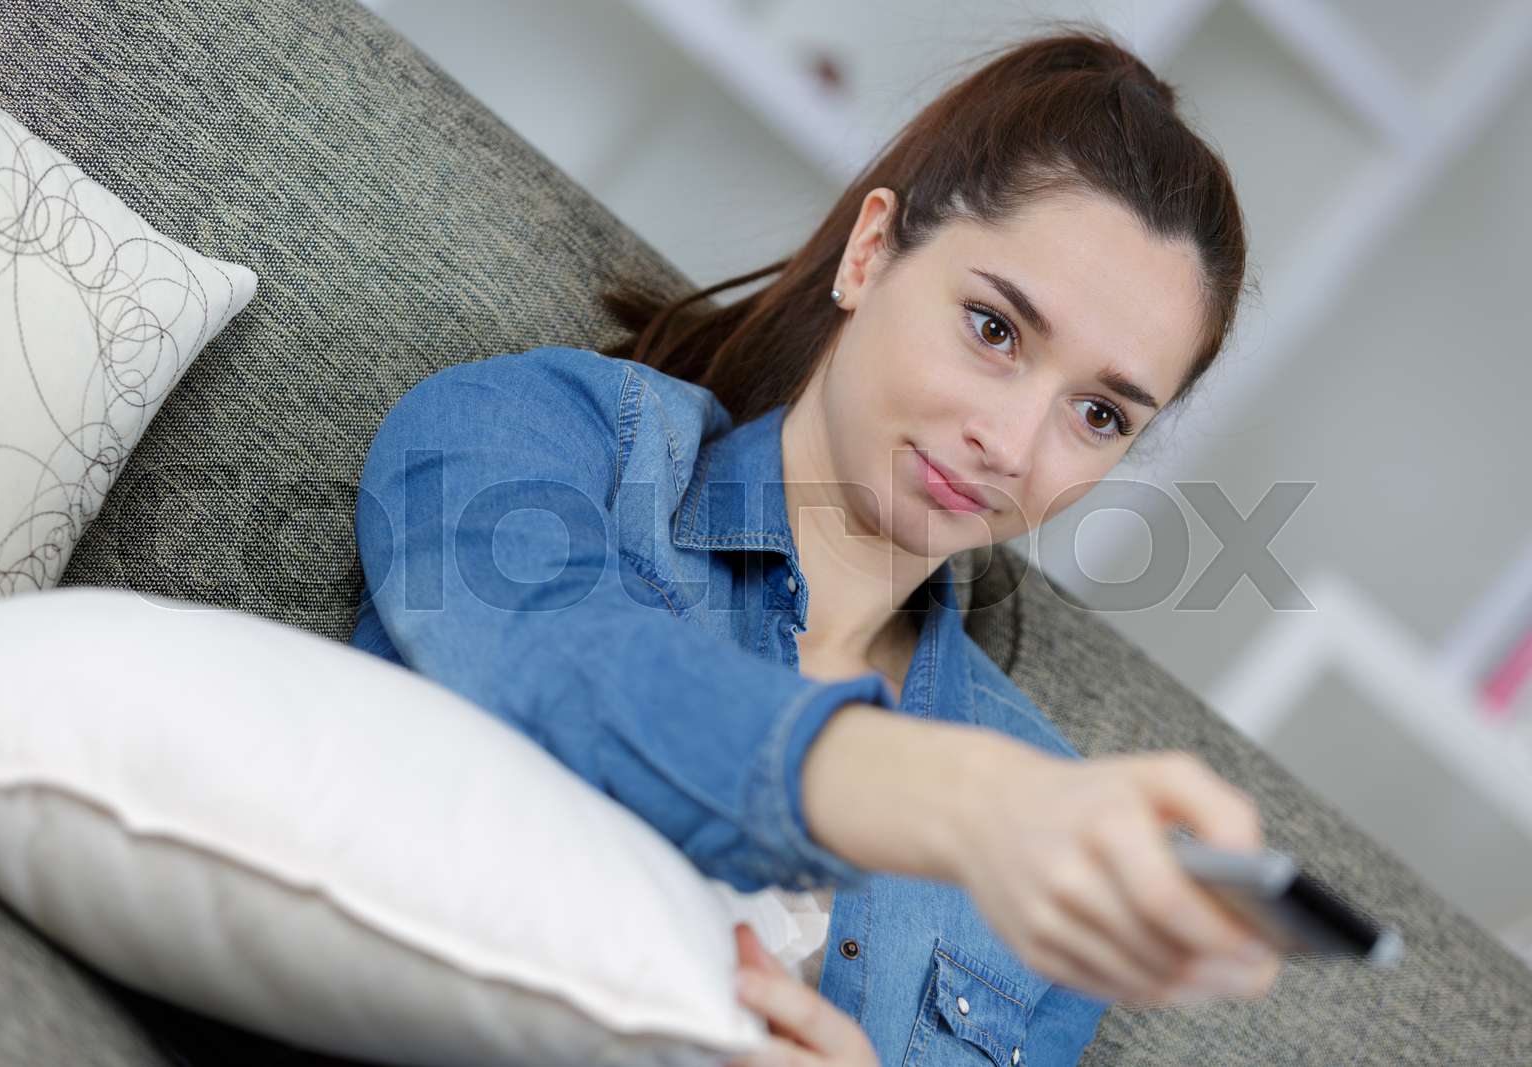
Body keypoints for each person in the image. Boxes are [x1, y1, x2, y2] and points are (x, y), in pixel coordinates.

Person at [349, 23, 1281, 1067]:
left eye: (1100, 414)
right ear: (871, 252)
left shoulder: (1046, 820)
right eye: (993, 328)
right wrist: (963, 804)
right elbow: (562, 661)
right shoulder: (547, 437)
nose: (1011, 445)